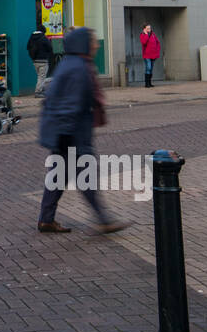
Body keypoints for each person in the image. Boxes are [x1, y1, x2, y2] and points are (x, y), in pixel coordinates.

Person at [37, 26, 127, 235]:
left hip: (64, 133)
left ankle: (46, 219)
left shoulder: (71, 63)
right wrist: (72, 141)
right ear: (83, 44)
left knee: (58, 177)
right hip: (72, 135)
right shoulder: (78, 67)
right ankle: (103, 220)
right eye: (93, 41)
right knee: (85, 177)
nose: (96, 45)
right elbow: (71, 104)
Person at [26, 26, 54, 97]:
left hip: (35, 60)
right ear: (43, 31)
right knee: (41, 77)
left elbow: (28, 47)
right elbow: (50, 48)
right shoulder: (43, 38)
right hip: (43, 60)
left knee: (40, 76)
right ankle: (38, 92)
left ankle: (41, 89)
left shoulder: (31, 37)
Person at [139, 24, 161, 88]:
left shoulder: (153, 35)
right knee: (148, 68)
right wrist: (146, 34)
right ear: (144, 29)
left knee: (151, 69)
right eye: (148, 28)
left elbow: (158, 42)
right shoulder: (142, 35)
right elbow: (144, 42)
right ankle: (147, 84)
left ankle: (150, 83)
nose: (149, 29)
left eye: (150, 28)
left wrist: (157, 49)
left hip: (153, 54)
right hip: (147, 55)